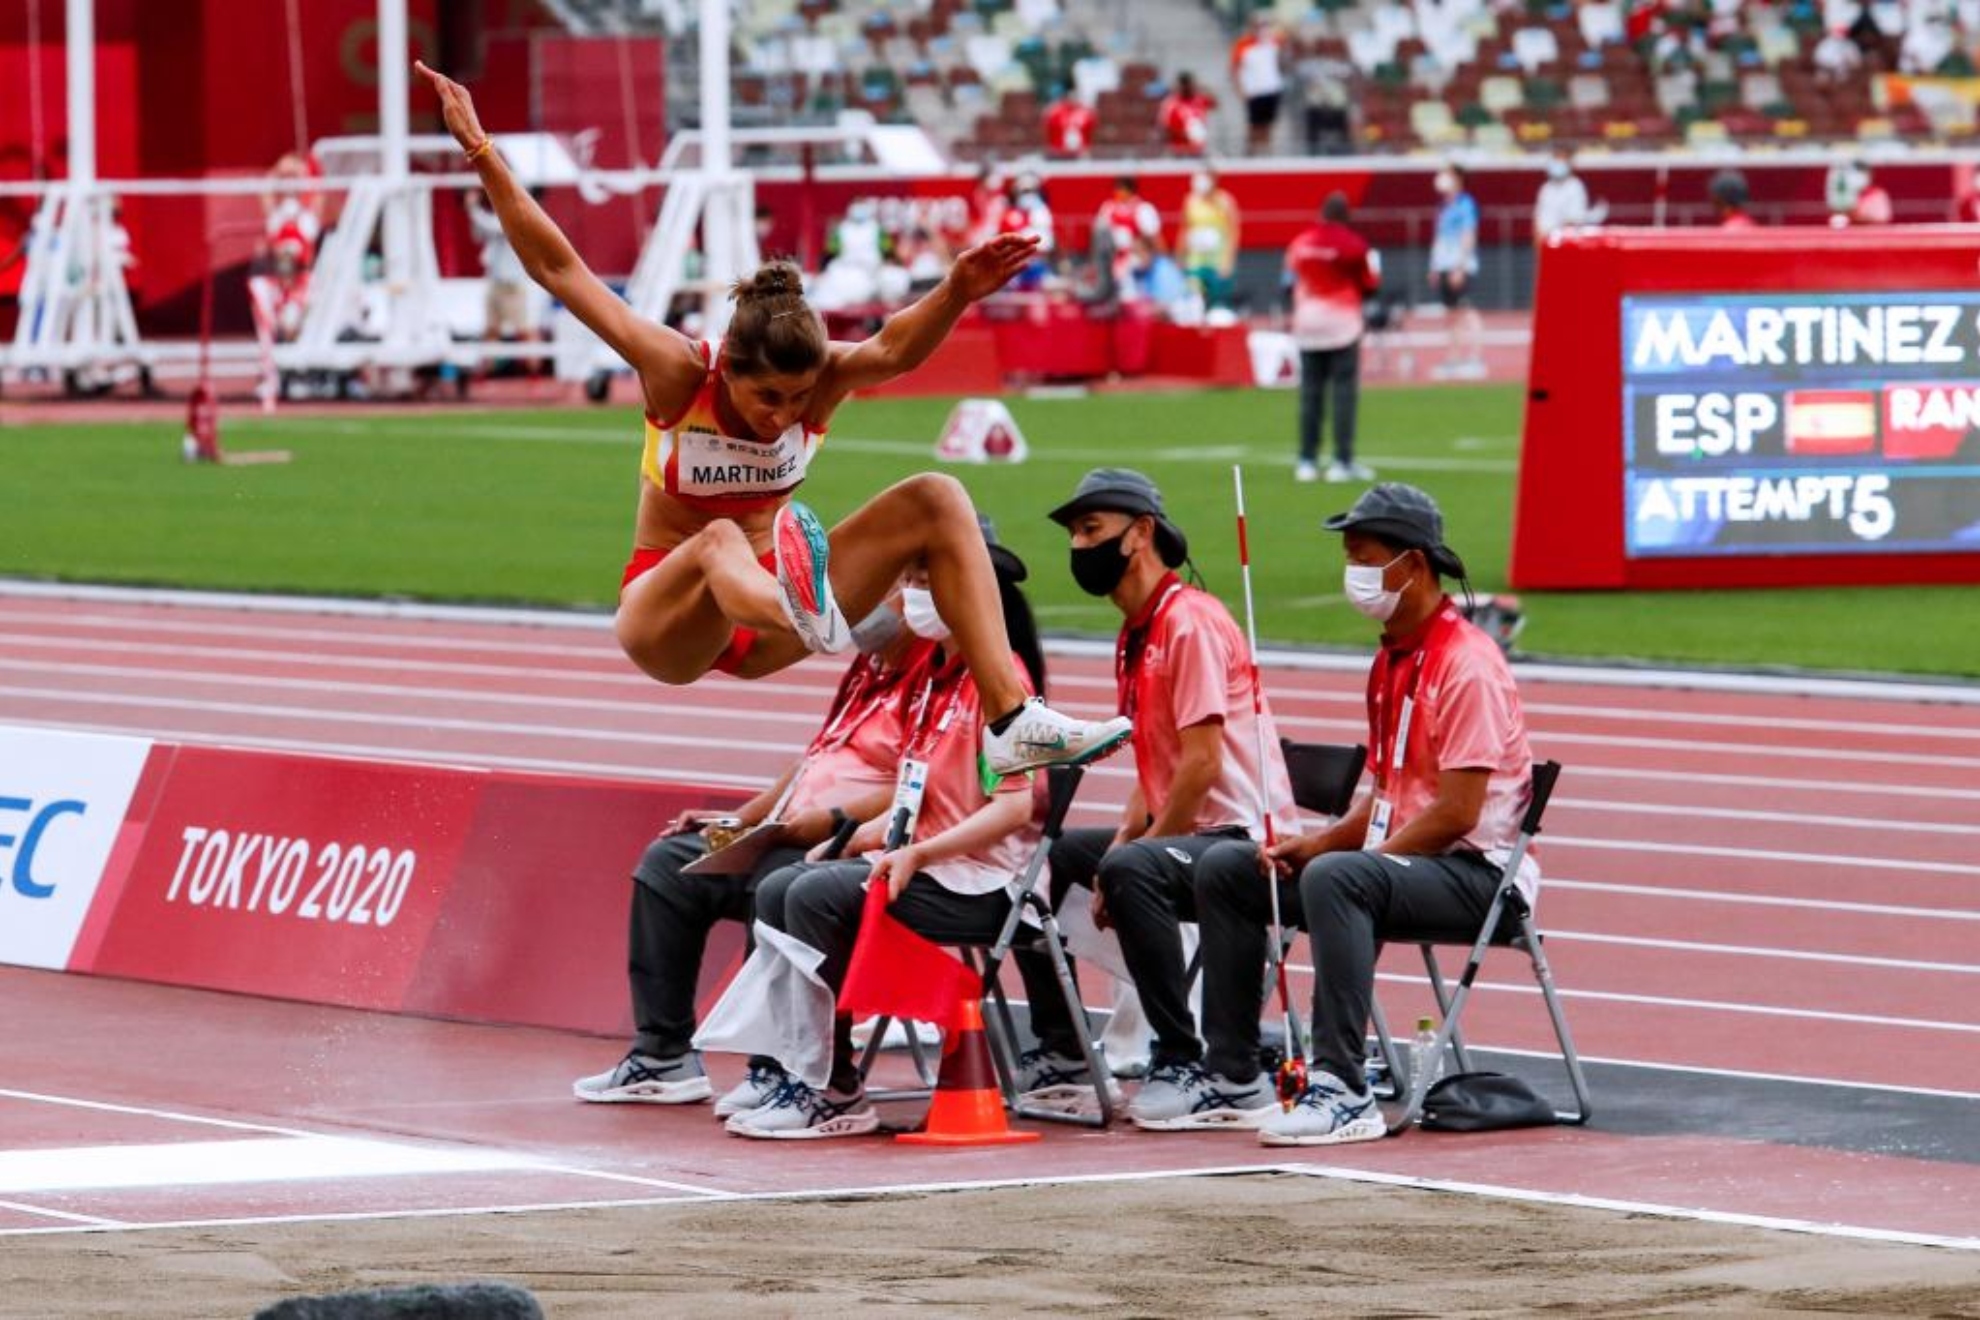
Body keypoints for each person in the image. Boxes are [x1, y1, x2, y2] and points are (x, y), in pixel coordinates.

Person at [415, 61, 1128, 779]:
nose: (784, 415)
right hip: (670, 617)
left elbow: (893, 347)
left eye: (797, 399)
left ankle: (1010, 717)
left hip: (772, 625)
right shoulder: (678, 372)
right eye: (768, 400)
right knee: (718, 534)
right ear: (729, 370)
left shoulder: (820, 383)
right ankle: (801, 605)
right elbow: (560, 270)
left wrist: (957, 288)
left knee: (939, 498)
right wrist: (481, 151)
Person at [1193, 481, 1538, 1145]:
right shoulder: (1391, 661)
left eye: (1363, 556)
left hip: (1477, 875)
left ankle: (1343, 1087)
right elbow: (1385, 798)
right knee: (1232, 870)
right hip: (1405, 863)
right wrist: (1316, 842)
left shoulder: (1466, 664)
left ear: (1411, 564)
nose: (1352, 572)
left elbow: (1459, 812)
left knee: (1338, 880)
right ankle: (1231, 1075)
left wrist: (1357, 861)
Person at [726, 523, 1047, 1138]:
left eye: (929, 578)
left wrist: (916, 851)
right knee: (782, 884)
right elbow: (913, 795)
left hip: (983, 879)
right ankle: (795, 1068)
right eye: (912, 578)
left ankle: (837, 1089)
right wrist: (852, 839)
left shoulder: (1001, 682)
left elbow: (1012, 810)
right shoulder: (930, 681)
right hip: (922, 863)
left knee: (813, 894)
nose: (916, 592)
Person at [1010, 469, 1298, 1127]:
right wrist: (1119, 845)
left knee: (1133, 868)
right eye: (1076, 534)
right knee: (1048, 855)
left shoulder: (1189, 623)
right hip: (1193, 835)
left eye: (1091, 530)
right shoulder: (1137, 631)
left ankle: (1186, 1060)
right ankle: (1064, 1046)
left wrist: (1134, 856)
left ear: (1140, 533)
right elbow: (1153, 769)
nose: (1079, 547)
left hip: (1241, 837)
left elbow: (1199, 766)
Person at [571, 597, 933, 1113]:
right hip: (787, 832)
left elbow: (918, 783)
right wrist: (742, 819)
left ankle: (773, 1066)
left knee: (775, 879)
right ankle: (662, 1055)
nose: (862, 605)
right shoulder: (866, 667)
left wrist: (830, 823)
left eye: (887, 588)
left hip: (845, 845)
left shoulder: (933, 674)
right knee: (667, 865)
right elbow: (813, 759)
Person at [1286, 192, 1379, 485]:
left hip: (1307, 322)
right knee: (1343, 392)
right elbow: (1370, 283)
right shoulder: (1354, 245)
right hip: (1341, 325)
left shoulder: (1301, 243)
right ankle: (1342, 461)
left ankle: (1307, 460)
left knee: (1310, 392)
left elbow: (1290, 278)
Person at [1427, 163, 1483, 380]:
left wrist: (1460, 266)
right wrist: (1433, 267)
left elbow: (1469, 235)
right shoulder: (1443, 206)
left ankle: (1475, 357)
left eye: (1447, 175)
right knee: (1450, 314)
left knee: (1466, 311)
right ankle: (1454, 358)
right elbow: (1439, 238)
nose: (1441, 178)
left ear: (1458, 178)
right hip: (1443, 265)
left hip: (1460, 266)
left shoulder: (1466, 204)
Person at [1177, 167, 1240, 313]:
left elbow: (1233, 231)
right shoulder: (1190, 201)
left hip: (1217, 262)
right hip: (1195, 262)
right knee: (1194, 301)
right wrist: (1180, 258)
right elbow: (1184, 230)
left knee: (1218, 304)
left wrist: (1228, 261)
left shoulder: (1225, 201)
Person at [1094, 176, 1162, 301]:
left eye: (1121, 189)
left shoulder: (1142, 209)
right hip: (1114, 258)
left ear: (1129, 190)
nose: (1118, 192)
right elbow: (1100, 235)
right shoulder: (1108, 208)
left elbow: (1152, 237)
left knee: (1132, 292)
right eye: (1117, 189)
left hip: (1135, 259)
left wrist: (1147, 253)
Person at [1230, 11, 1288, 155]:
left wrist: (1275, 21)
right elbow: (1234, 69)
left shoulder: (1273, 41)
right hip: (1254, 91)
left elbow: (1289, 33)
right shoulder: (1243, 44)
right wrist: (1240, 90)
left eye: (1264, 25)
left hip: (1271, 88)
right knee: (1254, 125)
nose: (1262, 29)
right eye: (1258, 25)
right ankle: (1251, 153)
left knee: (1268, 125)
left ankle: (1265, 152)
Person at [1531, 148, 1594, 249]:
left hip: (1563, 245)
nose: (1558, 164)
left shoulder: (1575, 186)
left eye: (1562, 160)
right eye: (1556, 160)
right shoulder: (1546, 188)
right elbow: (1537, 221)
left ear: (1569, 164)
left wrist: (1555, 239)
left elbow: (1574, 221)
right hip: (1545, 244)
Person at [1158, 71, 1215, 157]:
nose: (1188, 88)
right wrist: (1187, 134)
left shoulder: (1199, 99)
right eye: (1185, 85)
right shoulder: (1170, 103)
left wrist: (1203, 88)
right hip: (1178, 150)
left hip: (1198, 149)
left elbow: (1215, 103)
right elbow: (1165, 129)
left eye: (1190, 84)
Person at [1044, 85, 1097, 159]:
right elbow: (1049, 132)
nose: (1073, 99)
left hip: (1082, 152)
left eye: (1076, 96)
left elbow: (1092, 133)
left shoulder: (1087, 112)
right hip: (1060, 152)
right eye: (1071, 96)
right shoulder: (1055, 112)